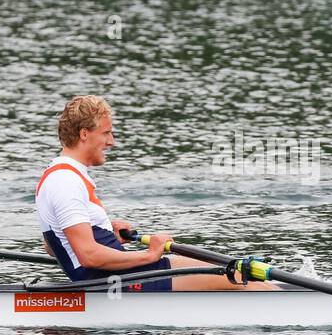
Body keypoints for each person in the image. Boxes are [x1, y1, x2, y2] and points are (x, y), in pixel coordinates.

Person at [37, 95, 276, 291]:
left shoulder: (58, 174)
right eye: (106, 133)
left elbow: (53, 244)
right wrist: (150, 255)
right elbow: (88, 255)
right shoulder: (66, 181)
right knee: (242, 278)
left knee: (232, 272)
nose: (112, 142)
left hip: (118, 275)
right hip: (117, 280)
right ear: (84, 134)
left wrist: (104, 229)